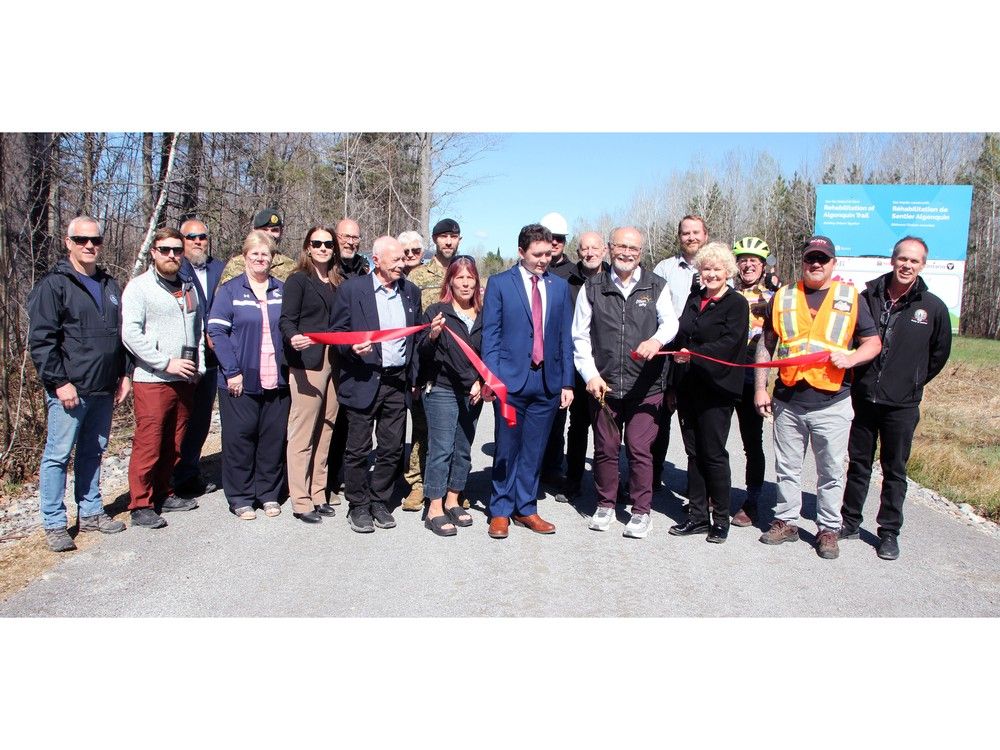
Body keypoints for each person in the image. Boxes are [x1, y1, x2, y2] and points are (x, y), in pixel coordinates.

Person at [754, 235, 882, 559]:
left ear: (832, 264)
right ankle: (786, 521)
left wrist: (852, 359)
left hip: (832, 401)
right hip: (788, 399)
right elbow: (766, 344)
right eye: (811, 258)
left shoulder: (850, 297)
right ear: (803, 261)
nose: (816, 264)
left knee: (831, 470)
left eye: (822, 259)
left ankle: (828, 528)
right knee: (787, 467)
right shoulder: (783, 296)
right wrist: (759, 386)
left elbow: (873, 343)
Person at [840, 236, 952, 560]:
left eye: (914, 261)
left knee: (894, 469)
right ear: (892, 260)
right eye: (902, 258)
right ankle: (849, 521)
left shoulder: (932, 308)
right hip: (864, 397)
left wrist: (912, 381)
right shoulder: (867, 297)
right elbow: (851, 340)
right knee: (859, 464)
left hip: (902, 405)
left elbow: (939, 354)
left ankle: (888, 532)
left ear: (922, 266)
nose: (907, 265)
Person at [28, 216, 130, 552]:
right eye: (82, 240)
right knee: (58, 456)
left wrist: (123, 374)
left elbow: (120, 334)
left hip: (103, 387)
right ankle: (55, 522)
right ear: (68, 242)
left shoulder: (108, 284)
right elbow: (42, 341)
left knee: (93, 452)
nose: (89, 246)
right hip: (70, 389)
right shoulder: (54, 285)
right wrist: (59, 382)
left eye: (95, 240)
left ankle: (90, 512)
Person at [573, 227, 678, 538]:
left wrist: (657, 341)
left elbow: (670, 322)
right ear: (610, 248)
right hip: (604, 384)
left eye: (633, 248)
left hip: (646, 386)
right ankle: (605, 503)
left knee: (638, 448)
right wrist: (590, 374)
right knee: (605, 448)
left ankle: (641, 510)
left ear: (641, 252)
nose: (627, 253)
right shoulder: (592, 287)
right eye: (621, 246)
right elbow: (579, 336)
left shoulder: (656, 286)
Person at [329, 236, 429, 534]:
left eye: (403, 259)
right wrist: (350, 348)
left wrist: (415, 374)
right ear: (376, 260)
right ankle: (357, 505)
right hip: (363, 378)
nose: (402, 264)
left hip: (396, 382)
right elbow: (338, 334)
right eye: (396, 259)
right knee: (358, 448)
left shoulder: (410, 292)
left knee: (391, 448)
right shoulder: (351, 290)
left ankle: (380, 500)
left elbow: (414, 339)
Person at [481, 223, 574, 539]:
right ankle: (500, 511)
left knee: (534, 450)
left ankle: (526, 508)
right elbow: (490, 336)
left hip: (547, 382)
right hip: (510, 382)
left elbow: (564, 338)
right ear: (521, 252)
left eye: (548, 253)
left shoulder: (559, 287)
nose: (543, 260)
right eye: (537, 254)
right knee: (507, 448)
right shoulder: (499, 284)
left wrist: (566, 383)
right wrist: (492, 380)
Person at [122, 228, 206, 529]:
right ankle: (140, 503)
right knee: (150, 442)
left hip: (185, 378)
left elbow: (197, 330)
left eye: (176, 250)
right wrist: (164, 362)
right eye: (165, 250)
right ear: (154, 252)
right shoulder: (139, 288)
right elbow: (130, 334)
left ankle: (164, 491)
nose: (172, 255)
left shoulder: (187, 287)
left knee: (175, 441)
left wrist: (200, 366)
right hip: (153, 378)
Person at [667, 243, 749, 543]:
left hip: (717, 389)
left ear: (728, 272)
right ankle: (697, 516)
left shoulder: (736, 304)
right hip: (689, 386)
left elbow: (729, 343)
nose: (711, 274)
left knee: (713, 453)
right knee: (693, 453)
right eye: (706, 269)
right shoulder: (694, 299)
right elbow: (679, 335)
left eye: (717, 269)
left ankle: (721, 518)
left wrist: (694, 354)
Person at [207, 230, 289, 520]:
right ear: (244, 257)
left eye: (265, 254)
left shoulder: (281, 290)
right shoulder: (230, 291)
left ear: (272, 259)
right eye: (254, 253)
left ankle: (268, 493)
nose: (260, 258)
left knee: (272, 438)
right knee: (239, 439)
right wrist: (232, 371)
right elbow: (216, 331)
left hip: (276, 379)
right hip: (240, 378)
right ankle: (240, 496)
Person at [417, 256, 488, 536]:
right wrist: (432, 335)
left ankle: (453, 499)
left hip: (474, 391)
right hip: (442, 388)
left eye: (470, 277)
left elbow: (490, 352)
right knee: (442, 448)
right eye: (460, 277)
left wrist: (481, 382)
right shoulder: (437, 311)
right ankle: (434, 507)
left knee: (463, 448)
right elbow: (421, 352)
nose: (466, 282)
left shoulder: (485, 314)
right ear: (450, 281)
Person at [278, 227, 343, 524]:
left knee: (327, 427)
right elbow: (286, 320)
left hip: (335, 360)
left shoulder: (336, 281)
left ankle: (319, 492)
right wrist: (293, 338)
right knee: (303, 431)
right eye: (316, 243)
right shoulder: (297, 280)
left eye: (328, 244)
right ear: (307, 247)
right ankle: (300, 498)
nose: (322, 248)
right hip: (307, 362)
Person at [542, 230, 609, 502]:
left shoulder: (615, 278)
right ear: (578, 251)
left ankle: (608, 484)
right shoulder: (565, 279)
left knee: (607, 428)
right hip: (574, 362)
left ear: (604, 250)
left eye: (595, 248)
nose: (590, 253)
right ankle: (573, 480)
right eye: (585, 248)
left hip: (606, 364)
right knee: (577, 425)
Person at [402, 219, 462, 511]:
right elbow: (410, 324)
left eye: (453, 237)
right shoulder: (417, 275)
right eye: (443, 237)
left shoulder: (464, 272)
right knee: (422, 427)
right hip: (426, 360)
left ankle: (450, 485)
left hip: (456, 364)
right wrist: (412, 370)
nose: (448, 242)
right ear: (435, 240)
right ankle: (417, 484)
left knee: (453, 431)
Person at [650, 215, 710, 489]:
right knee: (659, 419)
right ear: (679, 236)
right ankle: (651, 477)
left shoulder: (715, 267)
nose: (691, 237)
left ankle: (698, 487)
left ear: (705, 235)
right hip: (668, 349)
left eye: (696, 232)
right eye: (686, 233)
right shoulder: (665, 268)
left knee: (697, 423)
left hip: (701, 352)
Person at [730, 236, 780, 526]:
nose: (748, 265)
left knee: (752, 442)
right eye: (743, 260)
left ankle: (752, 500)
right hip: (726, 374)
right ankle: (713, 493)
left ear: (763, 266)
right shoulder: (727, 291)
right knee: (715, 439)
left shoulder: (774, 297)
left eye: (754, 261)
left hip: (753, 375)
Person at [173, 217, 225, 498]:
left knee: (202, 417)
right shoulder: (173, 267)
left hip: (215, 356)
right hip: (184, 356)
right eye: (191, 236)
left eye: (202, 236)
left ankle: (190, 471)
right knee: (181, 417)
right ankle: (172, 476)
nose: (197, 241)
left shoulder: (220, 268)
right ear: (182, 240)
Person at [327, 217, 369, 500]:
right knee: (327, 419)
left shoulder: (365, 270)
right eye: (345, 236)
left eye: (355, 237)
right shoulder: (326, 266)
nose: (350, 242)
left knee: (348, 421)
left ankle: (341, 475)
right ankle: (324, 479)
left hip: (358, 357)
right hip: (327, 352)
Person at [220, 208, 296, 283]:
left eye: (274, 230)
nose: (269, 234)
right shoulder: (236, 264)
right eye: (264, 229)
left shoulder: (291, 267)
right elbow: (224, 293)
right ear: (254, 231)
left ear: (281, 232)